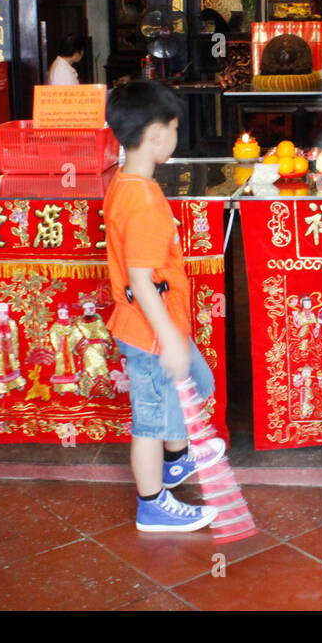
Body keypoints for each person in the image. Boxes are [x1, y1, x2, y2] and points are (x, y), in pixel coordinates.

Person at [103, 79, 227, 532]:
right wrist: (169, 340)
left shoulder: (128, 183)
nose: (176, 137)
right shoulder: (141, 201)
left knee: (193, 384)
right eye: (174, 128)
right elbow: (140, 279)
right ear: (156, 135)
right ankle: (152, 504)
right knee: (151, 420)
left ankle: (176, 460)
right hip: (150, 331)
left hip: (157, 325)